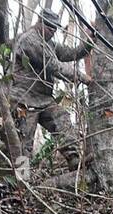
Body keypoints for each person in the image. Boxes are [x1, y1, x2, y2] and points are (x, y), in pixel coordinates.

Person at [12, 9, 91, 162]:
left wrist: (88, 43)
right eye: (49, 27)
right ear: (39, 23)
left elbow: (71, 53)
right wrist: (82, 77)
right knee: (24, 144)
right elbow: (53, 66)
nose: (52, 31)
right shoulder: (30, 41)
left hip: (43, 99)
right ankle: (21, 182)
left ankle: (74, 160)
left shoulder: (49, 44)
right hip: (24, 100)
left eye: (55, 28)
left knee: (62, 119)